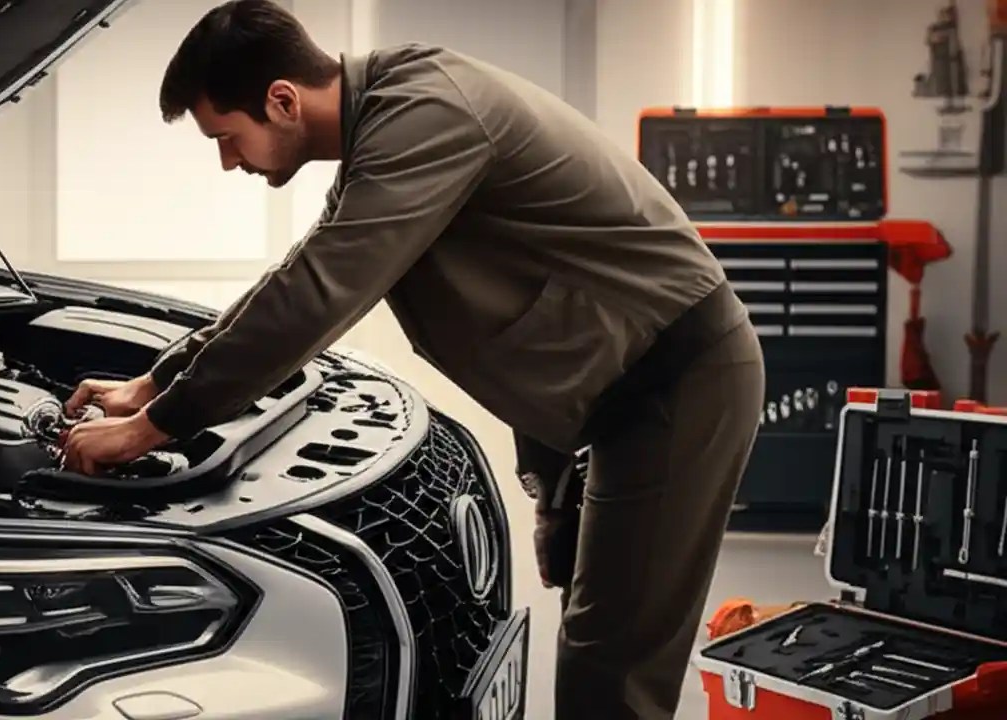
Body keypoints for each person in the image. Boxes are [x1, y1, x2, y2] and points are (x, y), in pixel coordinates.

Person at [58, 0, 765, 717]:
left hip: (676, 379)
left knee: (611, 666)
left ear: (282, 100)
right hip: (611, 389)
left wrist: (155, 428)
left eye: (228, 137)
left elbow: (320, 292)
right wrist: (154, 383)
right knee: (598, 631)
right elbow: (295, 276)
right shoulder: (386, 123)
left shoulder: (427, 114)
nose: (227, 160)